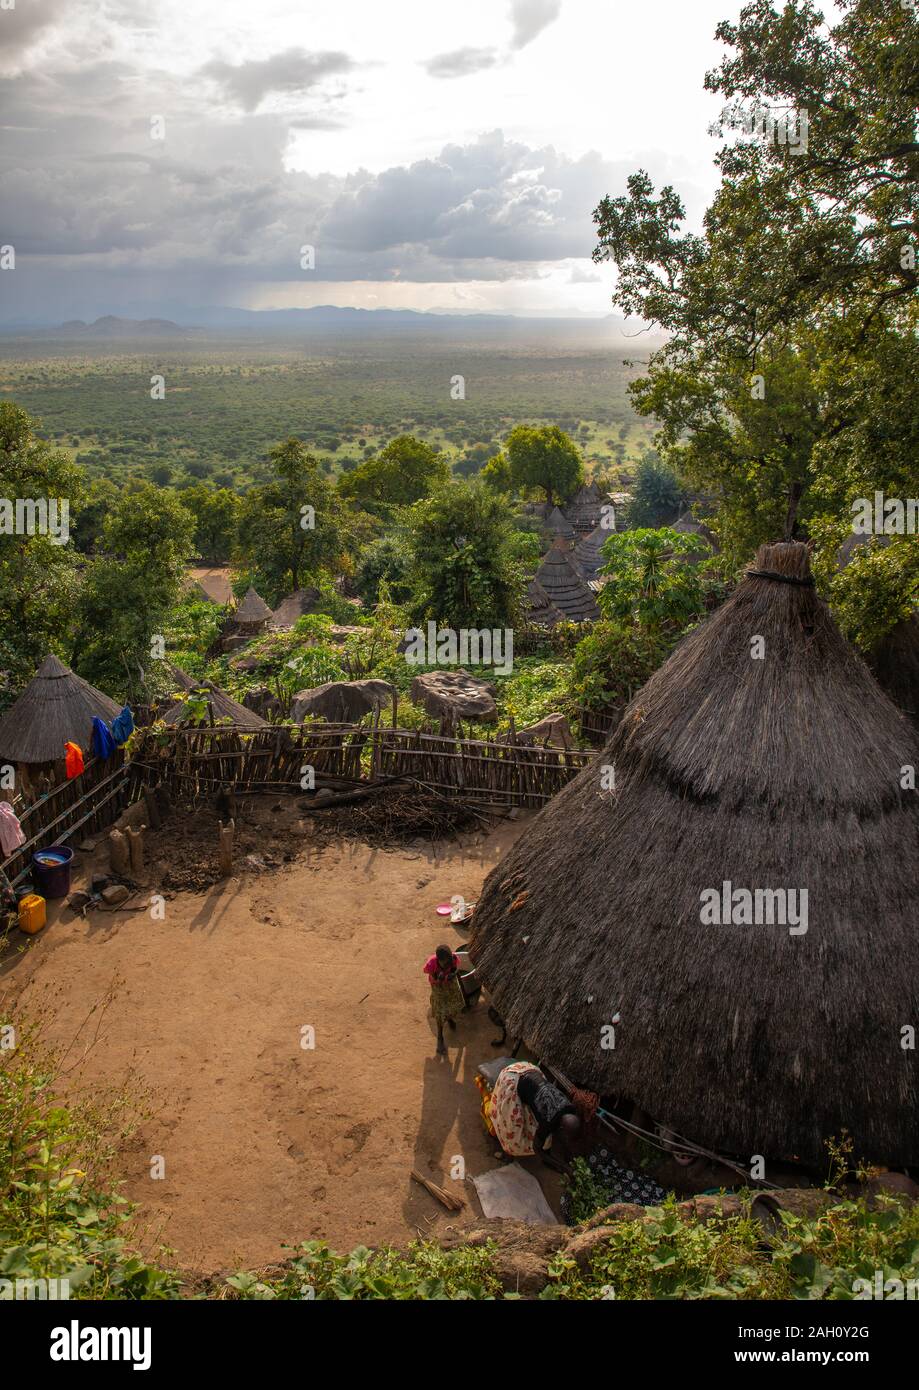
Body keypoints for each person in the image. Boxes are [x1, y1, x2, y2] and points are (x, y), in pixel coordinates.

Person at [489, 1061, 582, 1169]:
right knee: (510, 1125)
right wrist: (562, 1167)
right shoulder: (548, 1120)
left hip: (529, 1069)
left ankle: (549, 1160)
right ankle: (508, 1154)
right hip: (511, 1078)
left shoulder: (570, 1107)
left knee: (538, 1123)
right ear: (561, 1127)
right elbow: (537, 1148)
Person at [424, 944, 464, 1055]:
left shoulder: (453, 958)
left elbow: (456, 969)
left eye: (449, 963)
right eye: (445, 963)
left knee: (453, 1004)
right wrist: (438, 977)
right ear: (438, 960)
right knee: (440, 1011)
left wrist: (452, 974)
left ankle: (450, 1018)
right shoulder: (432, 963)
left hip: (450, 985)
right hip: (438, 987)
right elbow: (432, 977)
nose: (447, 965)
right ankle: (440, 1037)